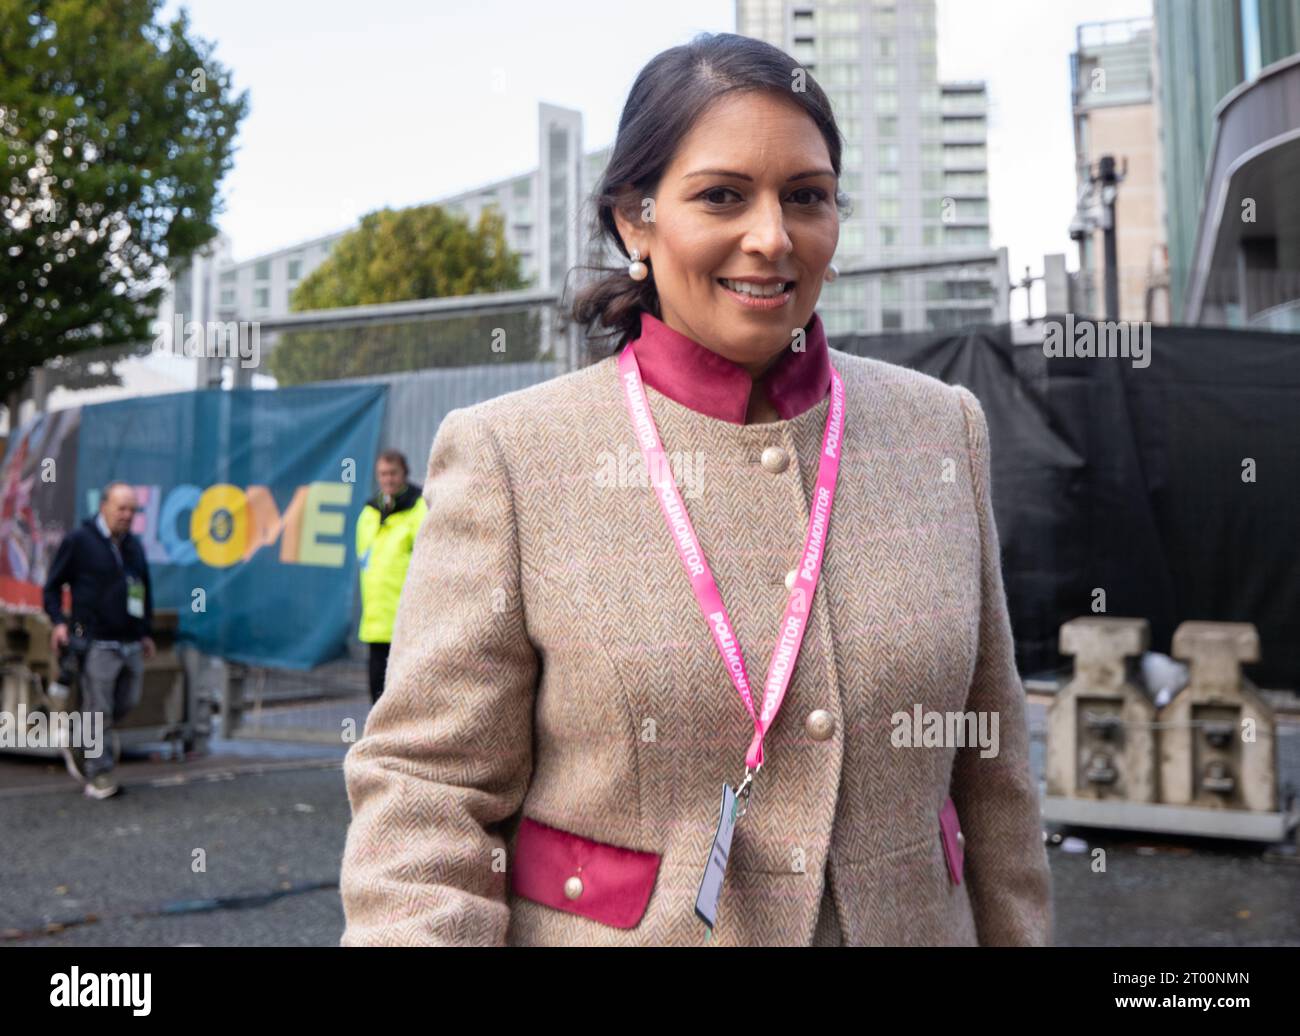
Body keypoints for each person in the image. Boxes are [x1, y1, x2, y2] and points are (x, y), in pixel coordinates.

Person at [339, 32, 1052, 946]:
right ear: (635, 221)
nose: (772, 237)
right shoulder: (514, 456)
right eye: (722, 195)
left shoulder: (939, 430)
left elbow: (993, 773)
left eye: (807, 197)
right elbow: (427, 794)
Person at [44, 482, 155, 799]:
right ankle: (99, 774)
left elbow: (143, 589)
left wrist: (145, 630)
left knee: (126, 703)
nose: (127, 515)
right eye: (121, 508)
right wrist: (58, 623)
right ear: (104, 506)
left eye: (132, 509)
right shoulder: (79, 541)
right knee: (99, 711)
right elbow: (52, 587)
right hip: (96, 641)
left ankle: (82, 737)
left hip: (130, 642)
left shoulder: (133, 546)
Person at [355, 450, 426, 704]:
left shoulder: (419, 508)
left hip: (408, 619)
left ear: (404, 473)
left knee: (405, 690)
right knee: (376, 690)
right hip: (376, 620)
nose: (388, 479)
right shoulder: (369, 512)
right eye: (383, 474)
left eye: (393, 473)